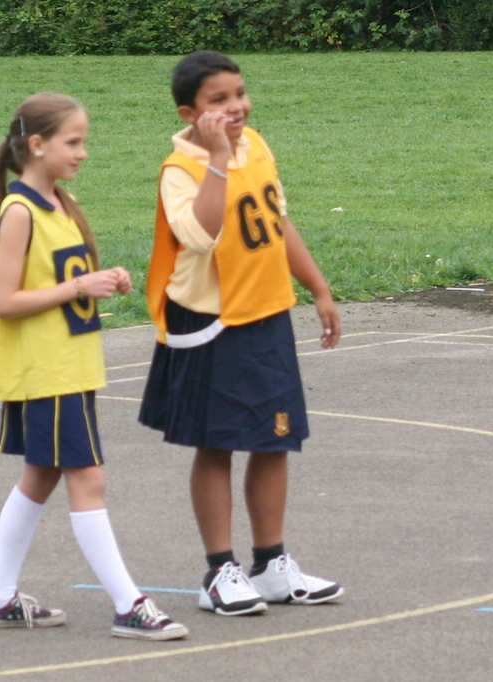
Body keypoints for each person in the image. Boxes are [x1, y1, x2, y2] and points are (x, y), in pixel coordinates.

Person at [139, 52, 345, 616]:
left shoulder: (255, 145)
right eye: (219, 100)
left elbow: (275, 222)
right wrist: (218, 159)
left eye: (239, 93)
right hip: (211, 322)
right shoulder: (180, 170)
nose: (235, 107)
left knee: (275, 438)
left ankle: (271, 563)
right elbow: (202, 234)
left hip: (264, 313)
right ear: (190, 113)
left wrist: (318, 287)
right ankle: (218, 570)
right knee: (216, 442)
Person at [0, 92, 187, 641]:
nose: (82, 152)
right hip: (45, 372)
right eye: (73, 142)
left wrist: (104, 280)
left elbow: (63, 281)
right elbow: (5, 301)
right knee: (89, 479)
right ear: (37, 144)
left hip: (71, 366)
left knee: (41, 475)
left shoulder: (62, 204)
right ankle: (129, 605)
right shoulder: (19, 211)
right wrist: (78, 286)